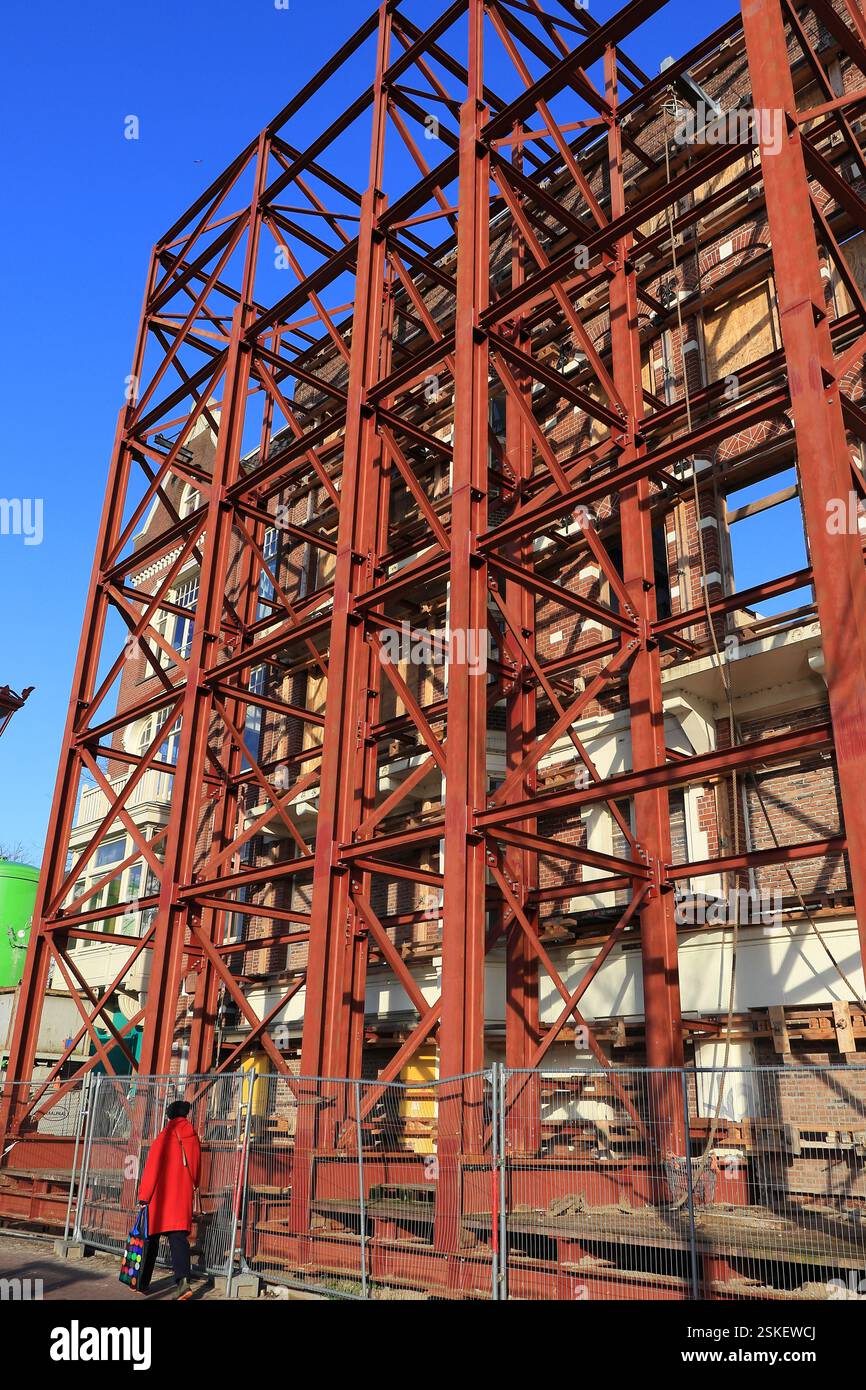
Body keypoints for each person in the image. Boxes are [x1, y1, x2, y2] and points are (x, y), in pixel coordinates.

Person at [137, 1099, 201, 1299]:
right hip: (181, 1196)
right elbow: (197, 1169)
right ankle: (183, 1284)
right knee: (178, 1240)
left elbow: (152, 1169)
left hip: (161, 1198)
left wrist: (144, 1196)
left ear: (169, 1116)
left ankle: (141, 1282)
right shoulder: (192, 1136)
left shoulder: (164, 1137)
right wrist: (194, 1184)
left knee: (151, 1240)